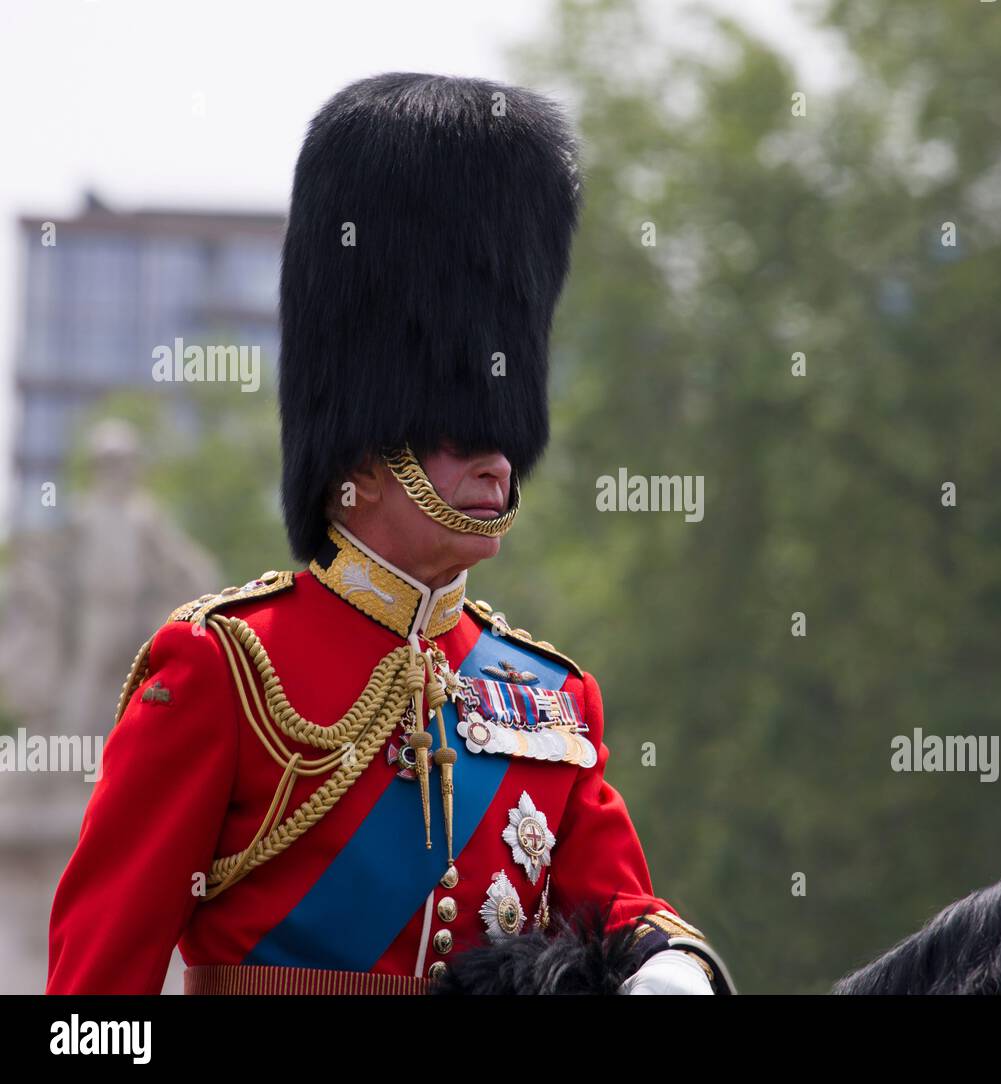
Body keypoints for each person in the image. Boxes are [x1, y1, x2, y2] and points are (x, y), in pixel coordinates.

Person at [46, 72, 734, 995]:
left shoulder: (553, 699)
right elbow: (94, 993)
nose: (498, 466)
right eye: (460, 436)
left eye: (504, 437)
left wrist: (668, 959)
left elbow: (613, 906)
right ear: (363, 458)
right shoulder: (225, 670)